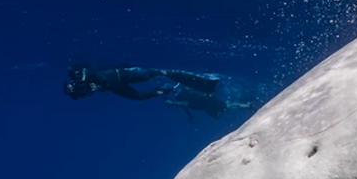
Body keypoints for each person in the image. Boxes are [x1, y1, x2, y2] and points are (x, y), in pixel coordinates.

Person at [64, 63, 233, 119]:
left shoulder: (83, 76)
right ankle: (163, 91)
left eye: (78, 93)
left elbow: (101, 77)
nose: (82, 94)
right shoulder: (84, 86)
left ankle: (159, 71)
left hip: (118, 76)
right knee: (138, 97)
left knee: (144, 77)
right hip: (115, 86)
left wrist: (100, 85)